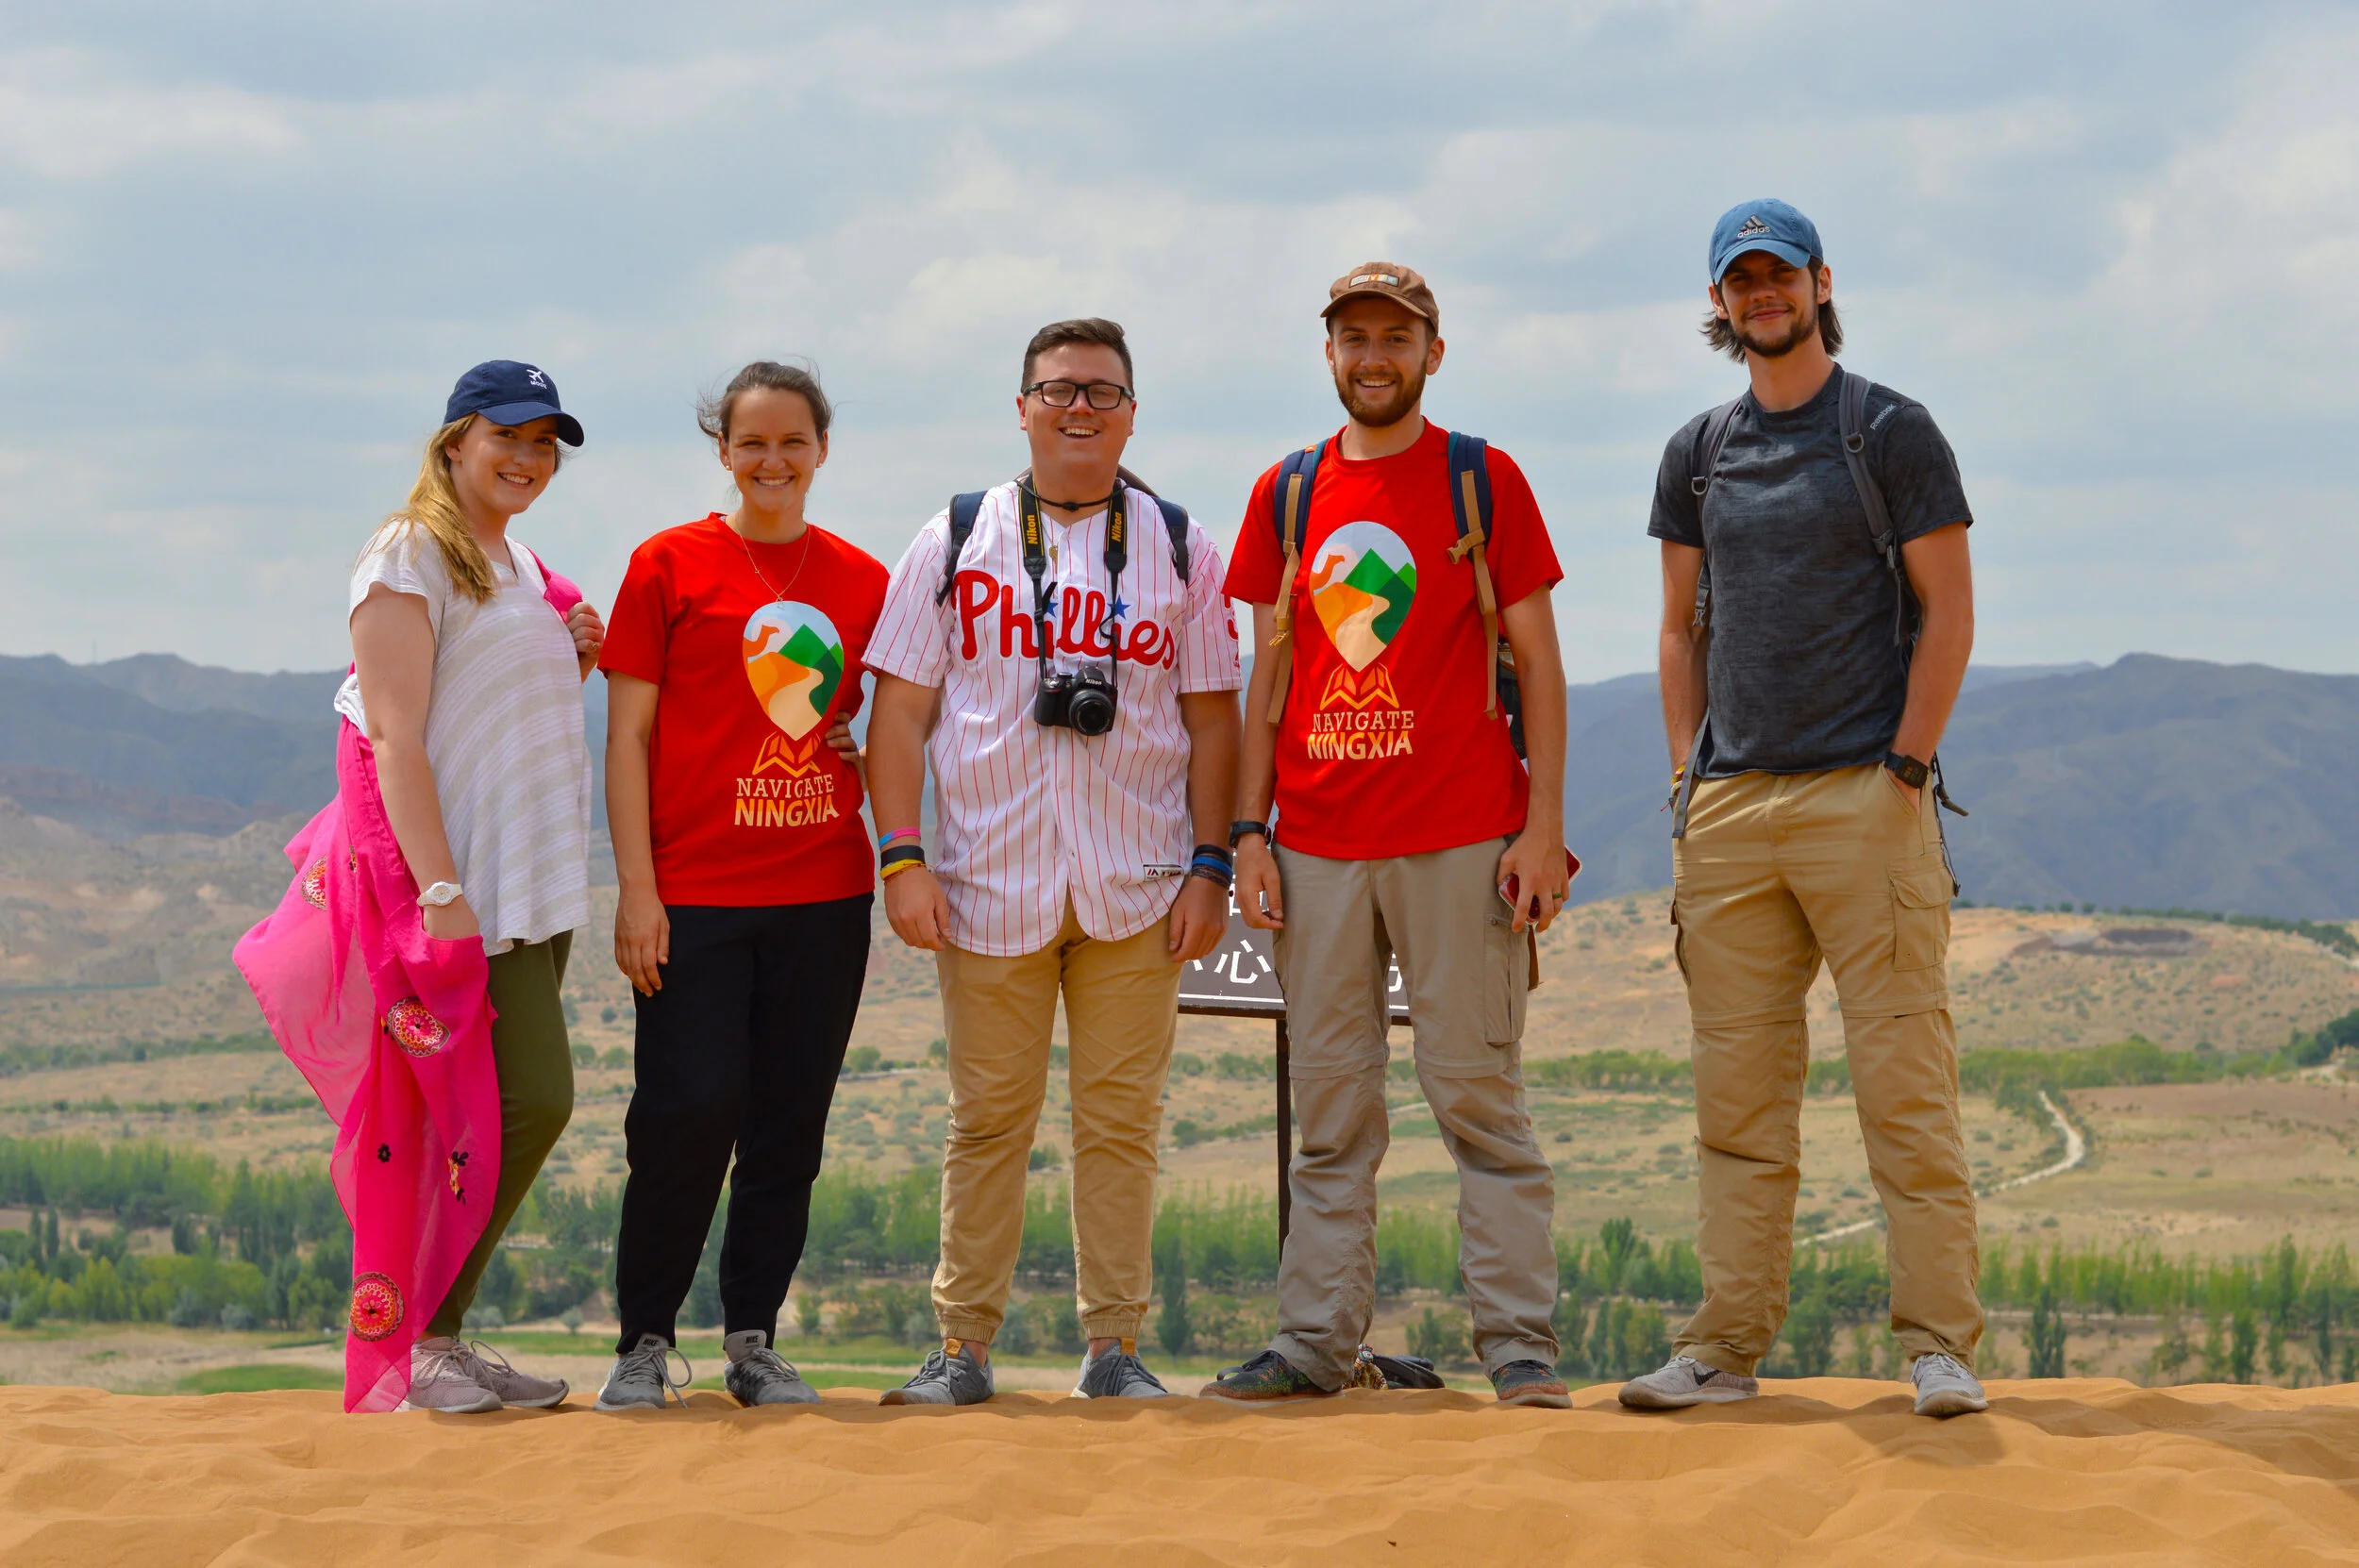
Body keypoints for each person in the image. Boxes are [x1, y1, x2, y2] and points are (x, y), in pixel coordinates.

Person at [1618, 200, 1985, 1419]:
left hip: (1863, 799)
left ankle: (1938, 1347)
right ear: (1718, 303)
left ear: (1822, 283)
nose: (1763, 295)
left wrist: (1906, 770)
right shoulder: (1697, 451)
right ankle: (1723, 1348)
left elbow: (1949, 612)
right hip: (1731, 811)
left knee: (1905, 1090)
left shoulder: (1890, 431)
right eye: (1742, 280)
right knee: (1736, 1103)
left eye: (1780, 274)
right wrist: (1688, 775)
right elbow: (1679, 628)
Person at [1205, 264, 1574, 1409]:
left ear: (1432, 353)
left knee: (1478, 1100)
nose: (1374, 357)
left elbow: (1539, 664)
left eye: (1396, 338)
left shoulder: (1481, 480)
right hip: (1316, 846)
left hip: (1461, 837)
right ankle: (1314, 1345)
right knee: (1330, 1110)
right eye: (1354, 337)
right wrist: (1250, 832)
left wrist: (1542, 826)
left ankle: (1517, 1348)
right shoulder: (1286, 492)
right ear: (1329, 353)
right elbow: (1269, 678)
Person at [862, 317, 1242, 1405]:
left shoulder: (1181, 545)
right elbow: (900, 715)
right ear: (1021, 407)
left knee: (1121, 1125)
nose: (1080, 408)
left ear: (1132, 413)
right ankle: (963, 1348)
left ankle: (1113, 1348)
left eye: (1102, 391)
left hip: (1137, 883)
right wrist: (901, 856)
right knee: (986, 1122)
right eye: (1060, 389)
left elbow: (1213, 721)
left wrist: (1210, 865)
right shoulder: (953, 537)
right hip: (987, 879)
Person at [238, 360, 601, 1411]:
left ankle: (441, 1337)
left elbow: (483, 710)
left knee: (481, 1115)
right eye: (508, 437)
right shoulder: (410, 553)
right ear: (454, 444)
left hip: (531, 882)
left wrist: (570, 654)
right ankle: (425, 1339)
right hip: (460, 887)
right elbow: (394, 736)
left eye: (545, 444)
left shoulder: (520, 565)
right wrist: (439, 891)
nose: (528, 458)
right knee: (531, 1100)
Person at [592, 362, 889, 1411]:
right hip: (695, 899)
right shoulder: (667, 565)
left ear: (822, 450)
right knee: (685, 1115)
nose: (773, 461)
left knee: (788, 1127)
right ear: (723, 449)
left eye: (792, 442)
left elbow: (898, 721)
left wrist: (863, 752)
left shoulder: (863, 580)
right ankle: (642, 1342)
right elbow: (627, 739)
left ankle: (753, 1340)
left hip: (824, 897)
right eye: (752, 442)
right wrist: (637, 891)